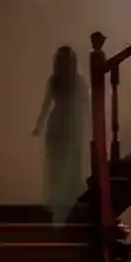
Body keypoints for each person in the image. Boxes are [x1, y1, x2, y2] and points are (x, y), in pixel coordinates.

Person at [32, 46, 88, 223]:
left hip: (65, 126)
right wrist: (39, 125)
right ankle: (63, 198)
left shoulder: (73, 81)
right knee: (61, 162)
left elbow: (47, 105)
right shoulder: (69, 81)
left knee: (64, 162)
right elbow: (47, 104)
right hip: (62, 126)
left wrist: (39, 125)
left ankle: (65, 198)